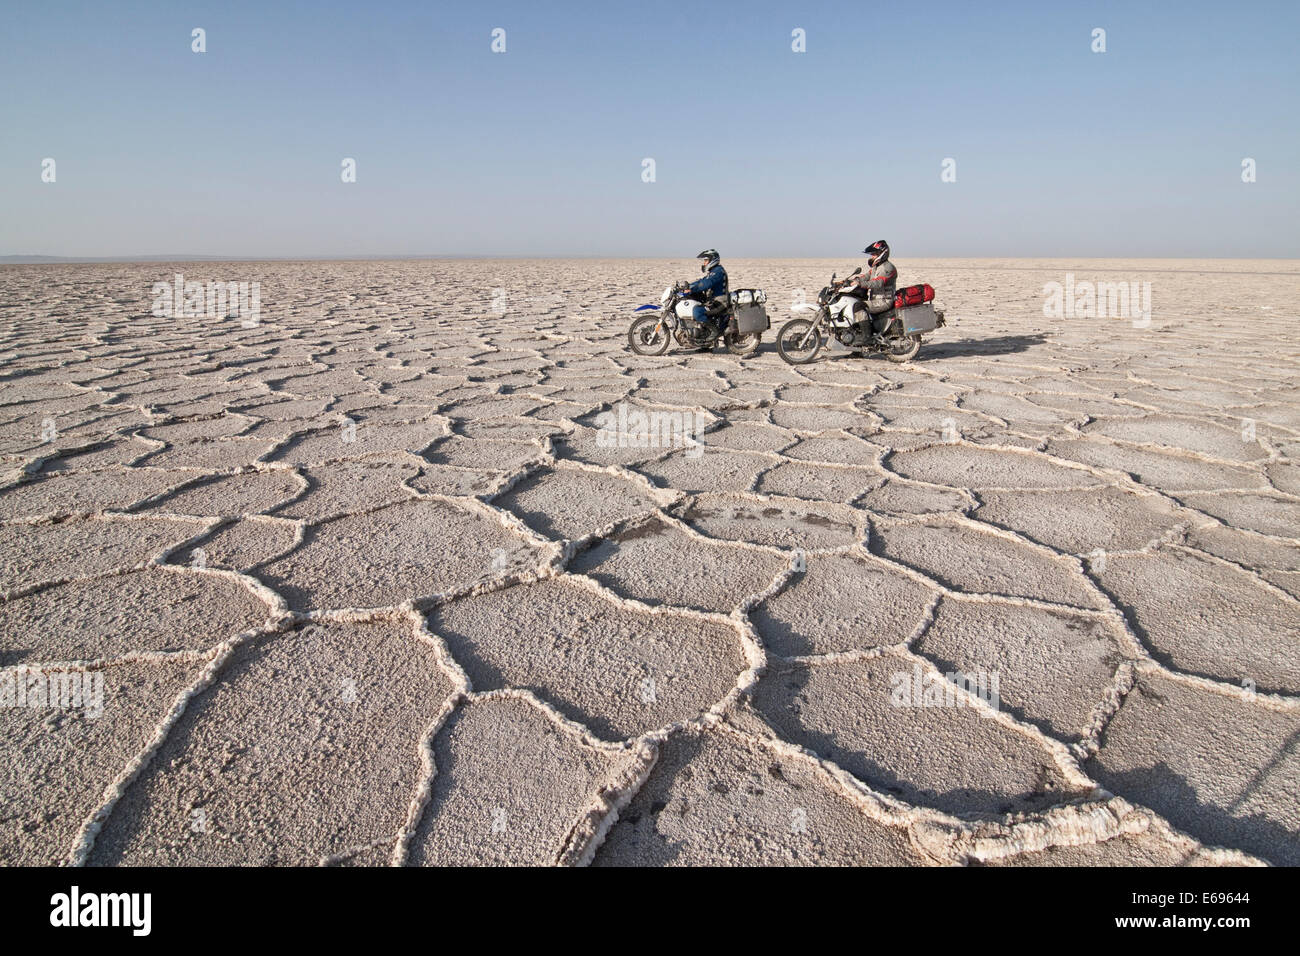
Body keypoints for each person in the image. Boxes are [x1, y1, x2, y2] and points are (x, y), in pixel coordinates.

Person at [839, 240, 896, 346]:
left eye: (874, 254)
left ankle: (867, 337)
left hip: (884, 300)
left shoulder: (888, 268)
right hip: (875, 299)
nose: (872, 257)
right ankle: (855, 346)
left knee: (858, 306)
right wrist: (848, 281)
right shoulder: (876, 267)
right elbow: (866, 277)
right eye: (872, 255)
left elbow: (878, 283)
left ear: (882, 253)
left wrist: (860, 283)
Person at [682, 249, 729, 344]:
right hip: (712, 300)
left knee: (697, 311)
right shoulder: (713, 271)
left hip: (719, 302)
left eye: (706, 260)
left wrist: (692, 289)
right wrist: (687, 286)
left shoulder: (718, 271)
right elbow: (701, 281)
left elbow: (706, 284)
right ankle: (702, 340)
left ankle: (714, 331)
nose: (704, 263)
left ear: (713, 260)